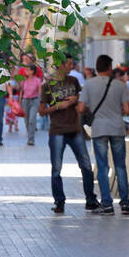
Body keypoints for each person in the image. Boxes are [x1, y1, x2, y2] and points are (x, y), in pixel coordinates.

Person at [40, 63, 98, 215]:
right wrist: (58, 106)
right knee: (56, 169)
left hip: (75, 129)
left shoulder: (73, 81)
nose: (69, 67)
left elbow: (80, 98)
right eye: (66, 64)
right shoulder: (47, 86)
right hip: (57, 131)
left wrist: (74, 100)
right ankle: (59, 201)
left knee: (86, 165)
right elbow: (41, 111)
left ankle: (91, 199)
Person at [79, 54, 129, 215]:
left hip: (99, 128)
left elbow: (81, 109)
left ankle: (107, 204)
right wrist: (116, 109)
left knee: (102, 167)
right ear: (110, 68)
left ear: (97, 68)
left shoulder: (89, 84)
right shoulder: (120, 85)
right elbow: (127, 110)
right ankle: (124, 204)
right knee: (120, 166)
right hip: (117, 128)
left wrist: (93, 108)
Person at [19, 57, 44, 145]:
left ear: (32, 71)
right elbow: (21, 91)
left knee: (32, 120)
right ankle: (29, 133)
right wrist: (19, 103)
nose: (26, 71)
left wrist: (41, 101)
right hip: (25, 101)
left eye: (28, 70)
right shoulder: (24, 80)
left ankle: (31, 139)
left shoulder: (37, 81)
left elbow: (40, 92)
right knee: (26, 120)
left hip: (34, 100)